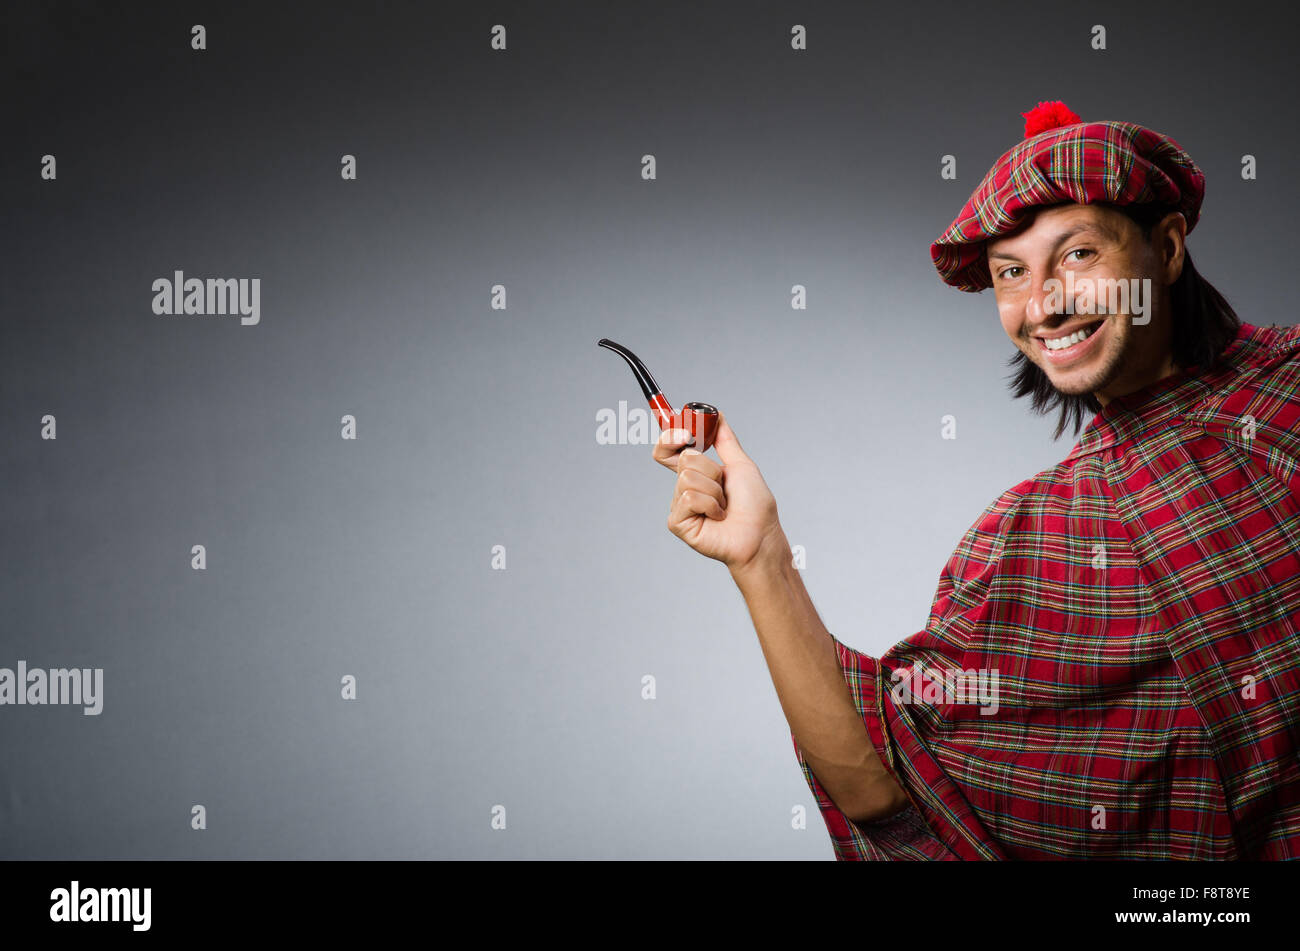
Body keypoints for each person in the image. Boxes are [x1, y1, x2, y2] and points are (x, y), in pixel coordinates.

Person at [651, 101, 1300, 859]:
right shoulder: (1027, 537)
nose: (1044, 304)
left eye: (1079, 254)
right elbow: (890, 782)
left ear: (1167, 244)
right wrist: (760, 555)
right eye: (1011, 274)